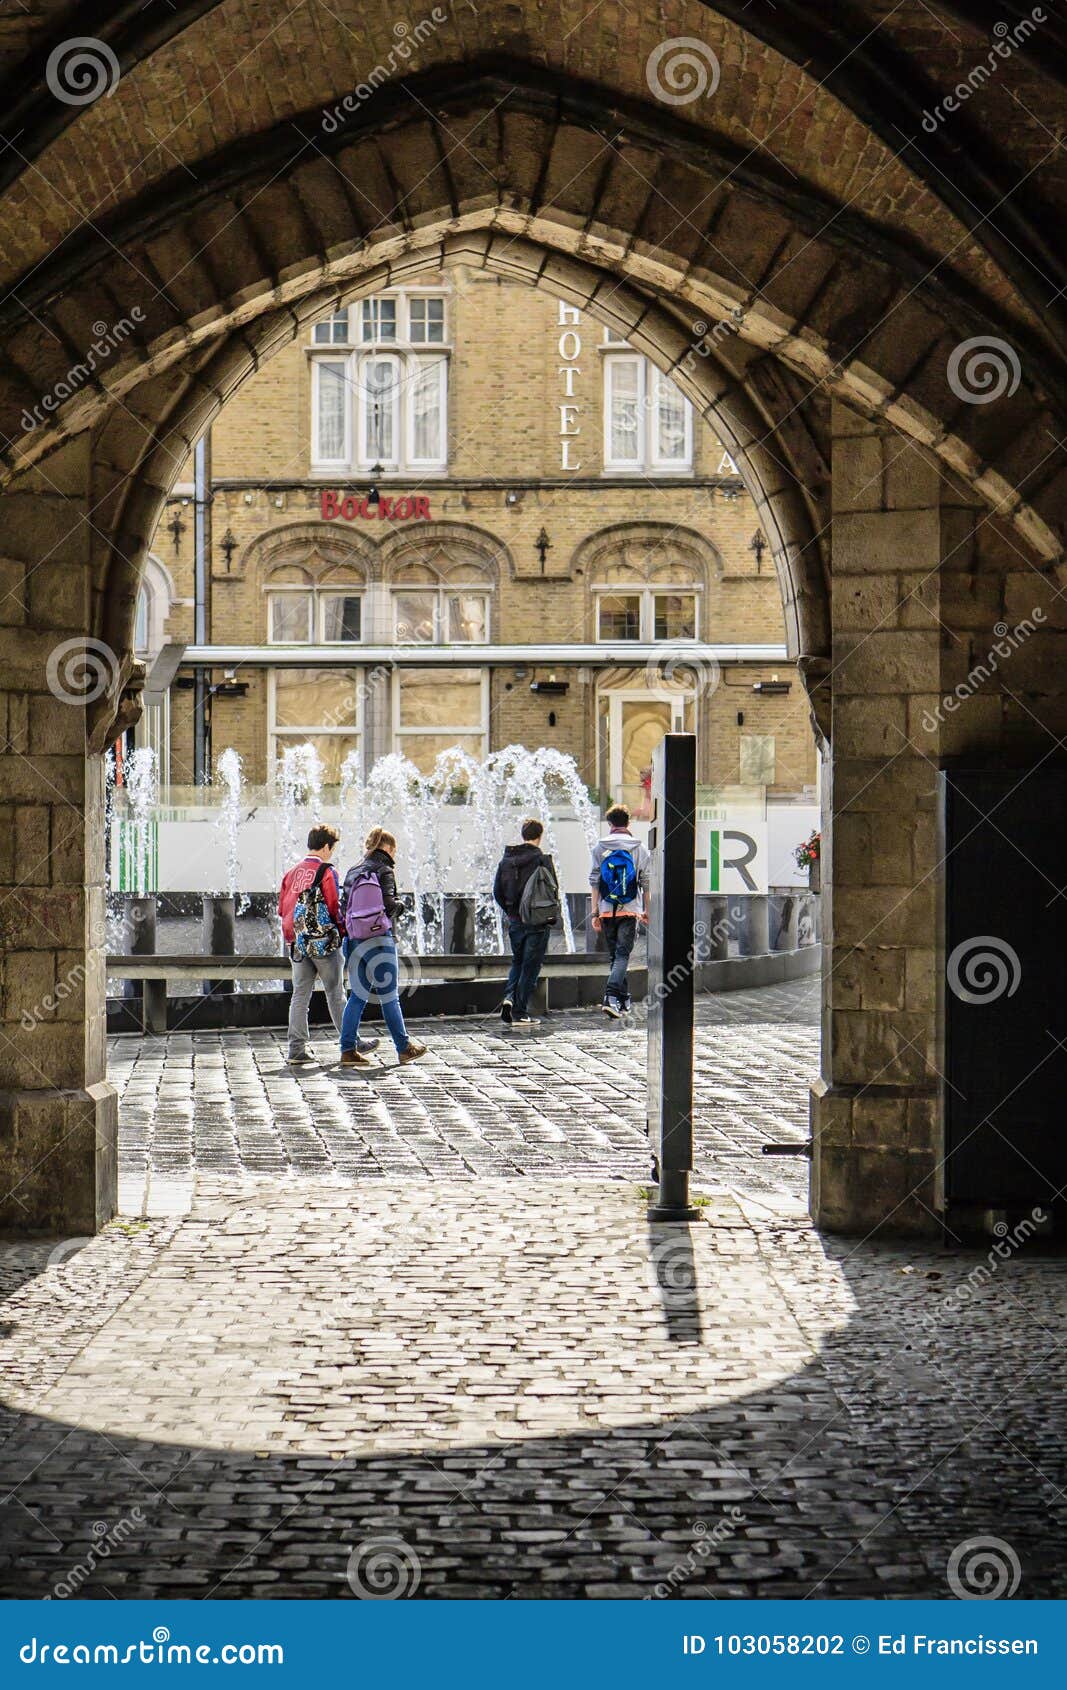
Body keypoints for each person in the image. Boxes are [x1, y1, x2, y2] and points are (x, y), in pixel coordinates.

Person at [277, 824, 378, 1066]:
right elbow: (334, 907)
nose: (331, 853)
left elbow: (282, 909)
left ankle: (296, 1050)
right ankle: (351, 1043)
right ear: (325, 847)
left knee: (300, 995)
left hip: (296, 942)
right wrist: (343, 932)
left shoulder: (291, 873)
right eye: (332, 848)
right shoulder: (326, 871)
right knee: (336, 993)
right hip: (323, 943)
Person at [339, 826, 427, 1068]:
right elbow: (389, 906)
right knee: (389, 996)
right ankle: (404, 1048)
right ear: (387, 848)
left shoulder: (352, 871)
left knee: (357, 996)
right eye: (394, 849)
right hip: (379, 940)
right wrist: (401, 906)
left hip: (354, 940)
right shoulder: (384, 869)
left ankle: (347, 1050)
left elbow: (343, 908)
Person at [492, 818, 560, 1027]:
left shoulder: (506, 860)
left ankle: (509, 998)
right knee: (531, 966)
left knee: (517, 961)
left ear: (523, 835)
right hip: (537, 922)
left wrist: (512, 912)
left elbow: (497, 892)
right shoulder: (542, 860)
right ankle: (519, 1012)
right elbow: (552, 890)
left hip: (515, 922)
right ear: (540, 836)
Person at [589, 803, 651, 1018]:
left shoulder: (599, 847)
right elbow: (645, 883)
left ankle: (624, 1000)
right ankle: (611, 996)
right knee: (623, 955)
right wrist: (646, 910)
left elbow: (594, 881)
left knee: (616, 956)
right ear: (628, 823)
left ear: (610, 824)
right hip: (630, 910)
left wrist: (595, 912)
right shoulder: (639, 848)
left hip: (606, 910)